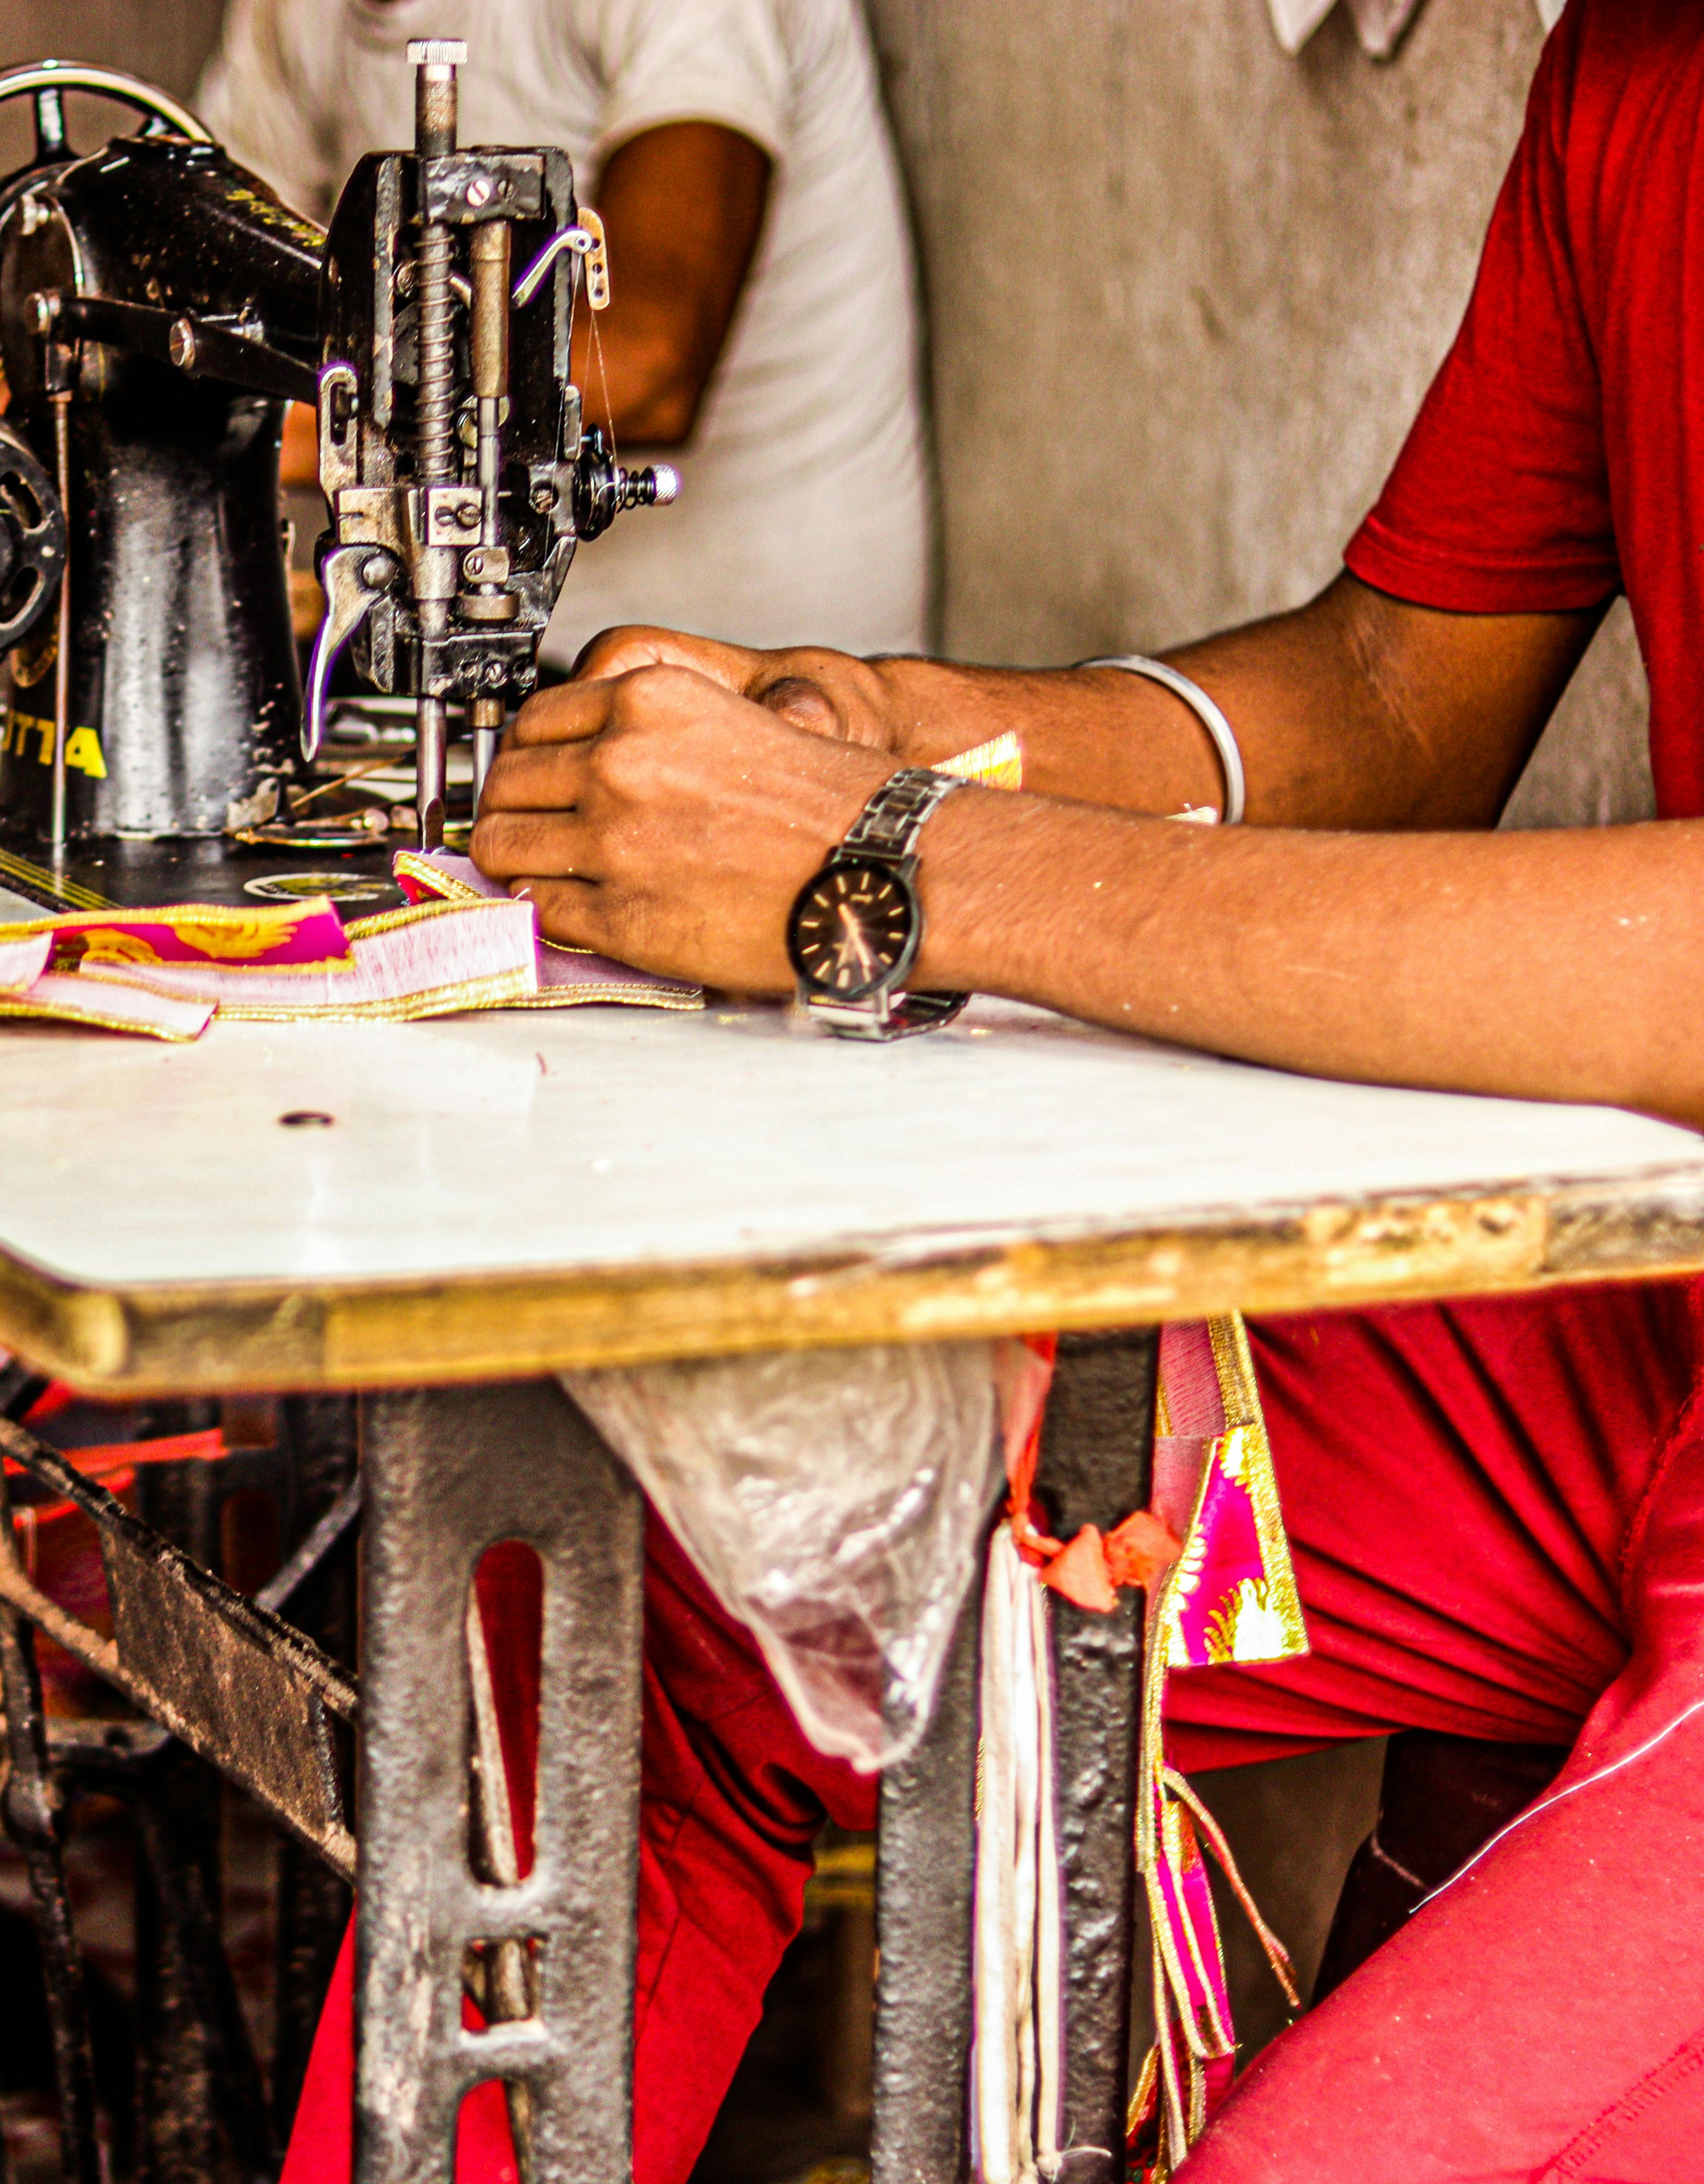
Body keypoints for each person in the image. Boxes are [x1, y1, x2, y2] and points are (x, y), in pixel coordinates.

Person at [269, 3, 1704, 2178]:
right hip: (1640, 1327)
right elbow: (1400, 691)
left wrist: (900, 861)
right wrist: (888, 729)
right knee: (661, 1591)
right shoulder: (1633, 74)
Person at [198, 0, 931, 657]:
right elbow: (216, 283)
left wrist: (236, 421)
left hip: (762, 668)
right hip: (476, 637)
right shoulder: (290, 15)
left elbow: (648, 365)